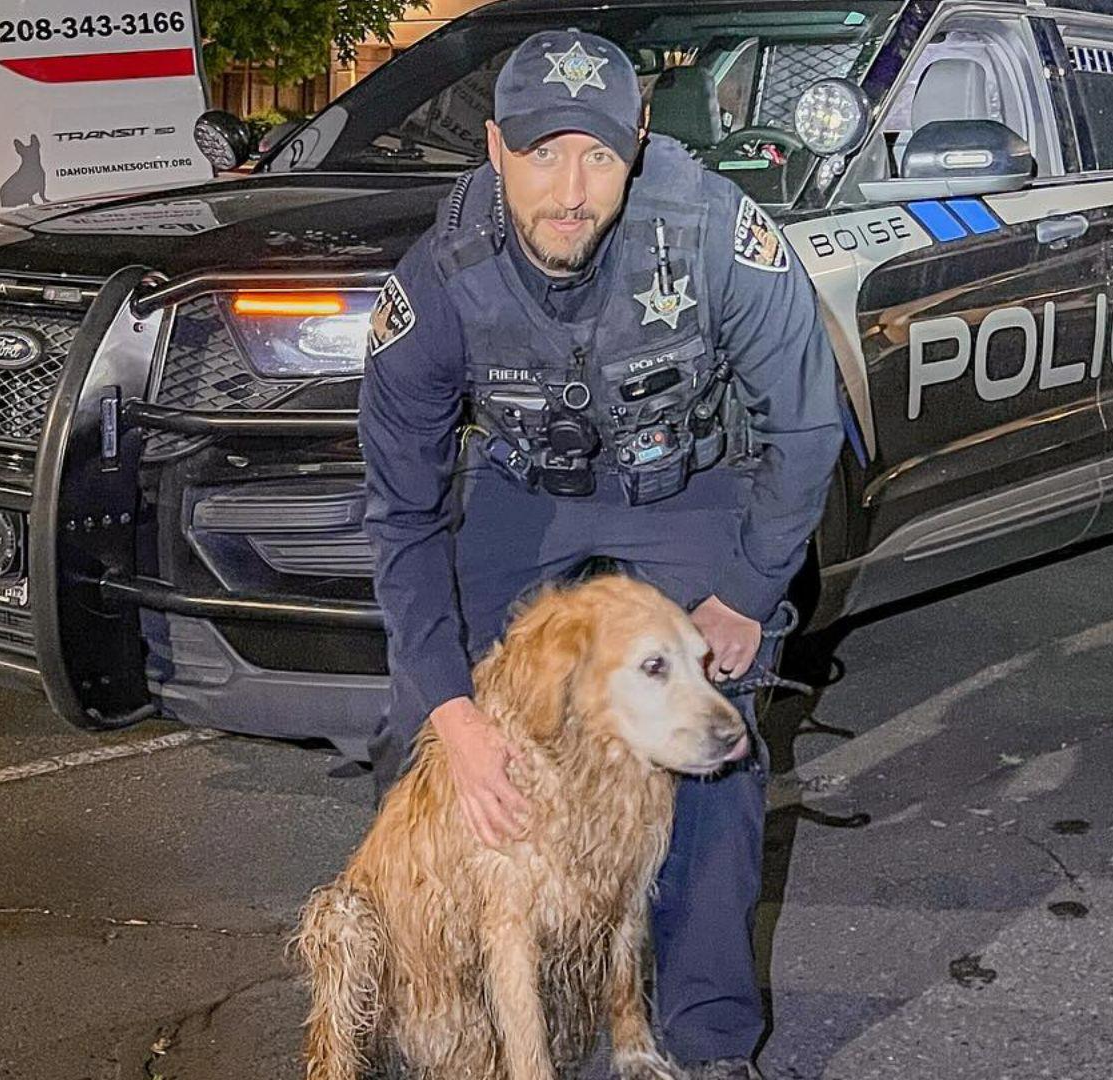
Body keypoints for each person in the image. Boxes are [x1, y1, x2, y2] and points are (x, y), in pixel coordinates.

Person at [358, 28, 843, 1079]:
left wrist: (749, 595)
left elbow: (808, 426)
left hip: (685, 491)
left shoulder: (714, 230)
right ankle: (438, 1010)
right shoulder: (440, 277)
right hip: (523, 496)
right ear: (493, 148)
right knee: (428, 732)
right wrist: (452, 712)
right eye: (540, 153)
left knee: (715, 734)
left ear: (636, 141)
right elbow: (401, 515)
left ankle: (711, 1039)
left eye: (596, 155)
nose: (569, 190)